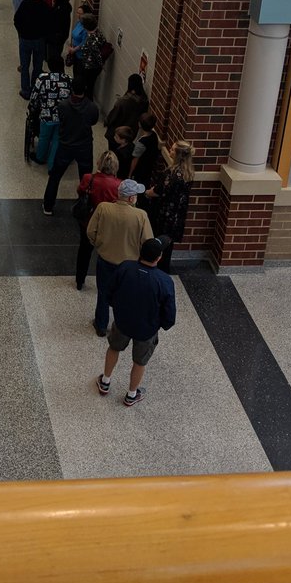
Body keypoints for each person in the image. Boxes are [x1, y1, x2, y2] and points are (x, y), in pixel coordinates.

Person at [95, 236, 176, 406]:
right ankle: (131, 394)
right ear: (159, 257)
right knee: (139, 362)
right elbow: (169, 315)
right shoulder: (164, 281)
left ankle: (105, 381)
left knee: (114, 348)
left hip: (122, 322)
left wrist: (116, 308)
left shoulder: (125, 267)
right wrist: (160, 324)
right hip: (146, 329)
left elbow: (109, 292)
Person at [87, 178, 153, 335]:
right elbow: (148, 242)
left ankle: (101, 325)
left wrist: (99, 244)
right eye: (136, 195)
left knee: (103, 292)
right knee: (126, 295)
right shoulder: (141, 215)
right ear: (131, 198)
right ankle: (123, 326)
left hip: (105, 260)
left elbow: (90, 231)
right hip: (129, 265)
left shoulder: (103, 208)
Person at [42, 78, 99, 215]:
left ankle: (48, 206)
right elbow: (93, 121)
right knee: (86, 178)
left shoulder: (63, 105)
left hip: (66, 146)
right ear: (84, 90)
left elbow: (62, 119)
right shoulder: (92, 107)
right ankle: (84, 207)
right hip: (84, 146)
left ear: (71, 89)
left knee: (55, 176)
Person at [74, 150, 122, 290]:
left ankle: (79, 280)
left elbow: (80, 191)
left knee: (84, 251)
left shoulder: (88, 178)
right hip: (109, 223)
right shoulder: (119, 184)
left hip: (88, 220)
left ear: (99, 163)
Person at [146, 140, 195, 273]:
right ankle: (163, 268)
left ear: (179, 155)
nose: (170, 151)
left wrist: (146, 192)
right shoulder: (188, 172)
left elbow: (159, 190)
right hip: (176, 215)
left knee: (159, 241)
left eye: (173, 150)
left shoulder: (172, 174)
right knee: (168, 244)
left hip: (164, 213)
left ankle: (156, 268)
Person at [28, 54, 72, 166]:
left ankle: (40, 158)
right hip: (63, 117)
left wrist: (32, 108)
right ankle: (52, 165)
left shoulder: (42, 78)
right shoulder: (69, 80)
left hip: (46, 115)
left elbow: (34, 97)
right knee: (57, 140)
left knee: (44, 137)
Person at [14, 0, 52, 99]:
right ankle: (36, 89)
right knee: (37, 65)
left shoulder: (26, 4)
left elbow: (16, 20)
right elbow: (49, 26)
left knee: (24, 65)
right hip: (39, 40)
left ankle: (25, 91)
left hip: (25, 39)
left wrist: (21, 33)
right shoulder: (46, 8)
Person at [104, 75, 149, 145]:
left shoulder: (123, 102)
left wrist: (106, 122)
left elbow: (112, 117)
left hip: (117, 134)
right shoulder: (144, 101)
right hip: (130, 134)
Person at [78, 14, 109, 100]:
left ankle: (87, 104)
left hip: (90, 67)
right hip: (93, 66)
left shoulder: (91, 40)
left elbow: (97, 54)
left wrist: (101, 64)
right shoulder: (98, 33)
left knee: (88, 87)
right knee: (90, 86)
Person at [131, 113, 162, 192]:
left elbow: (135, 159)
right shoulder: (154, 135)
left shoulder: (142, 142)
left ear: (140, 125)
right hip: (149, 167)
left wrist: (130, 173)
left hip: (140, 169)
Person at [46, 0, 72, 64]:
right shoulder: (66, 9)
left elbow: (51, 21)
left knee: (52, 55)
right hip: (62, 36)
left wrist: (53, 5)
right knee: (58, 52)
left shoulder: (58, 12)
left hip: (54, 37)